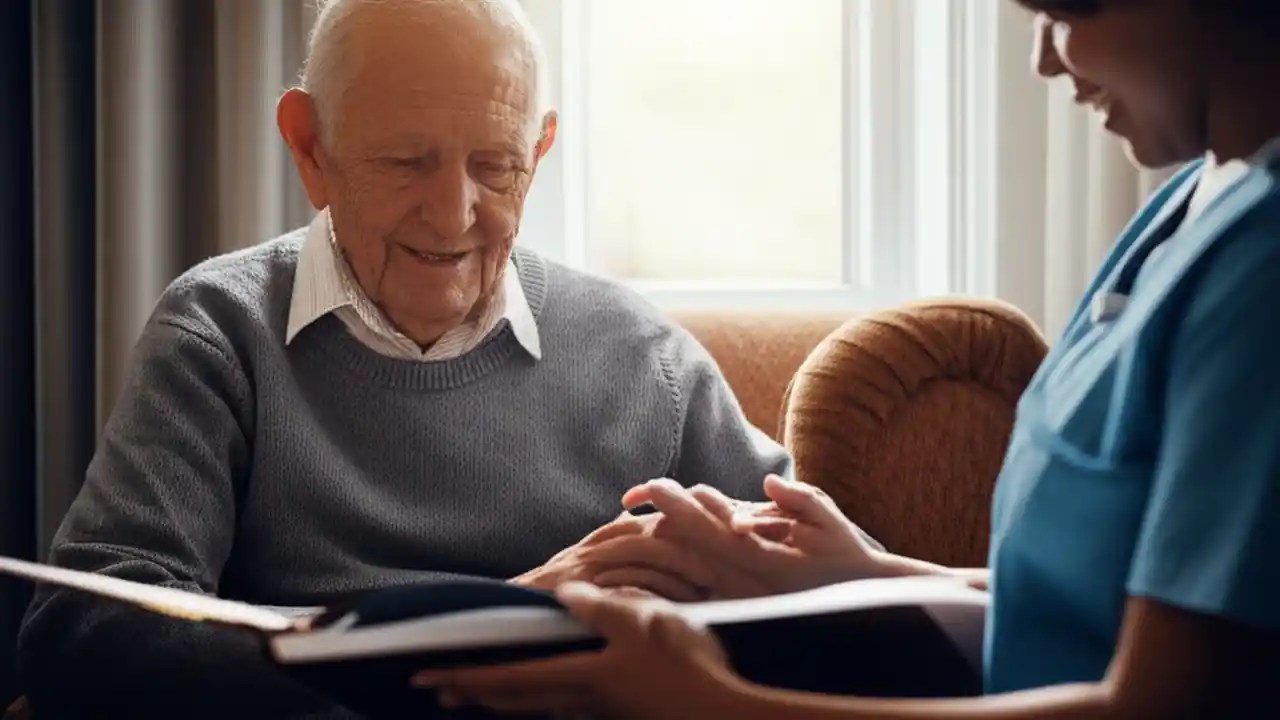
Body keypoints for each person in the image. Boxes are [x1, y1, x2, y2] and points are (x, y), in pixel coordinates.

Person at [412, 0, 1280, 717]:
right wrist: (871, 575)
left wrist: (708, 701)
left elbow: (1162, 701)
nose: (1047, 63)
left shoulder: (1262, 273)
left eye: (1068, 12)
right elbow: (1091, 607)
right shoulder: (1188, 208)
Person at [16, 0, 797, 716]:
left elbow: (821, 617)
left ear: (540, 147)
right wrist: (485, 625)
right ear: (310, 148)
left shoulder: (646, 362)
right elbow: (87, 634)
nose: (454, 213)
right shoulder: (219, 330)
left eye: (495, 164)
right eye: (405, 162)